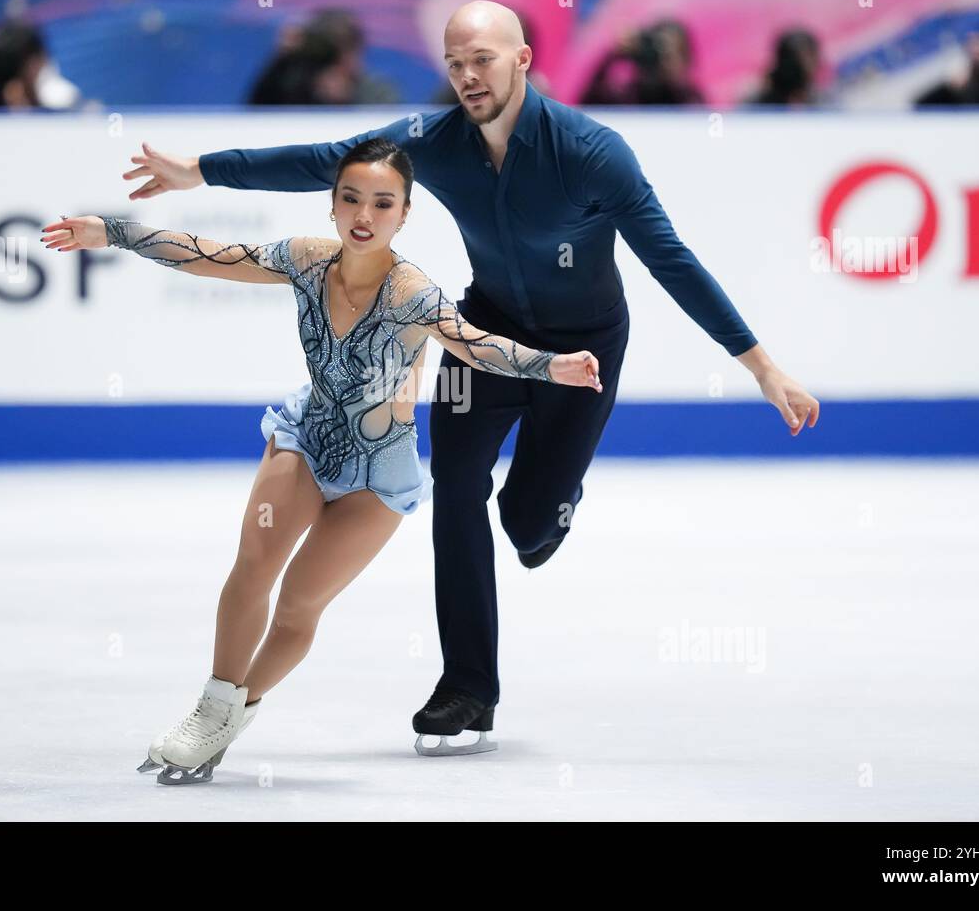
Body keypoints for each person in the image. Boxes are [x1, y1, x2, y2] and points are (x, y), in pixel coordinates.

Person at [117, 0, 820, 756]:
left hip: (582, 353)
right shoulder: (434, 142)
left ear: (521, 60)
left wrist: (761, 365)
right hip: (481, 338)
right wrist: (199, 171)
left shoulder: (592, 152)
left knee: (526, 524)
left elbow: (670, 259)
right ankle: (467, 690)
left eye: (481, 59)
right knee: (455, 483)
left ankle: (551, 504)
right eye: (454, 63)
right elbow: (330, 158)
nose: (466, 76)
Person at [41, 138, 601, 783]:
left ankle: (234, 714)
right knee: (254, 566)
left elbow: (475, 347)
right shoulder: (306, 261)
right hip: (307, 439)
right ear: (333, 205)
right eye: (351, 197)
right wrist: (111, 232)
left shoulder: (412, 293)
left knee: (300, 605)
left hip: (379, 476)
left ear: (404, 213)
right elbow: (211, 257)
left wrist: (549, 365)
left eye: (382, 202)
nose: (365, 213)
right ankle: (208, 708)